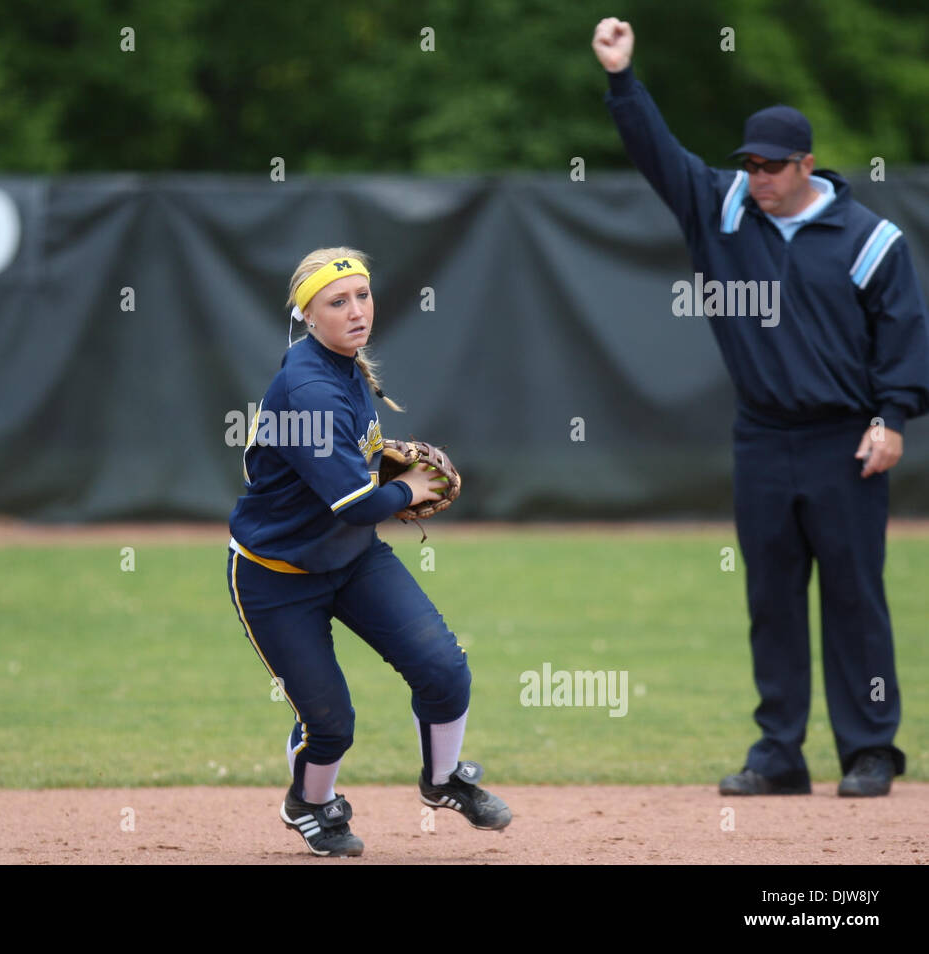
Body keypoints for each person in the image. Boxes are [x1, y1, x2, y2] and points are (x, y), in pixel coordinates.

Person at [592, 19, 929, 797]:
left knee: (855, 596)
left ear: (808, 164)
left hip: (847, 439)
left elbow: (906, 333)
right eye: (750, 162)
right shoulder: (721, 210)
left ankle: (870, 749)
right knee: (770, 597)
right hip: (763, 437)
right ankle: (779, 751)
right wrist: (622, 80)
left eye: (773, 165)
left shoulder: (870, 238)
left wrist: (894, 417)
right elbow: (657, 154)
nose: (758, 175)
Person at [225, 247, 511, 857]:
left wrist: (382, 465)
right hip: (277, 577)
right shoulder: (308, 387)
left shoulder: (345, 365)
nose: (356, 310)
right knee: (330, 724)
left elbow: (345, 469)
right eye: (337, 302)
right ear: (307, 315)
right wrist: (406, 487)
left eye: (362, 295)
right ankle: (310, 803)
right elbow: (355, 503)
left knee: (442, 668)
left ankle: (443, 781)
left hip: (352, 559)